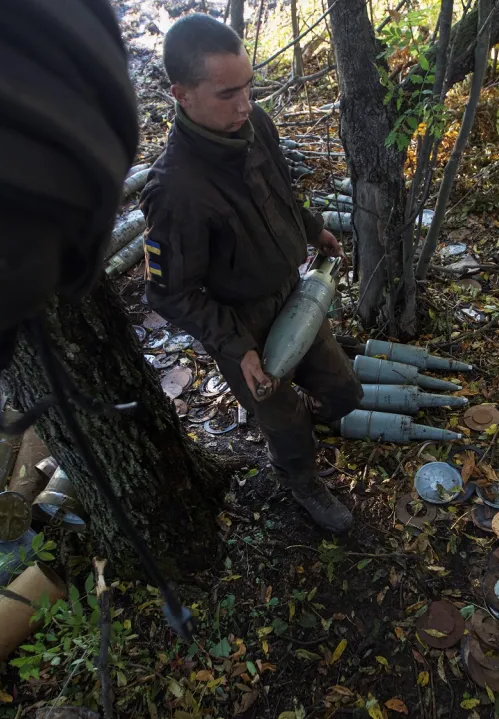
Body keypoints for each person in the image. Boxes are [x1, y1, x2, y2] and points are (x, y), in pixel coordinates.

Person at [142, 14, 362, 533]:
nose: (244, 105)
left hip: (294, 293)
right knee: (283, 421)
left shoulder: (253, 123)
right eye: (226, 94)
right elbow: (168, 293)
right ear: (182, 94)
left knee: (344, 394)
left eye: (248, 87)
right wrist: (236, 346)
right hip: (241, 325)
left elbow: (280, 189)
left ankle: (305, 426)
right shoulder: (176, 190)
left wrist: (311, 230)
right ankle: (300, 477)